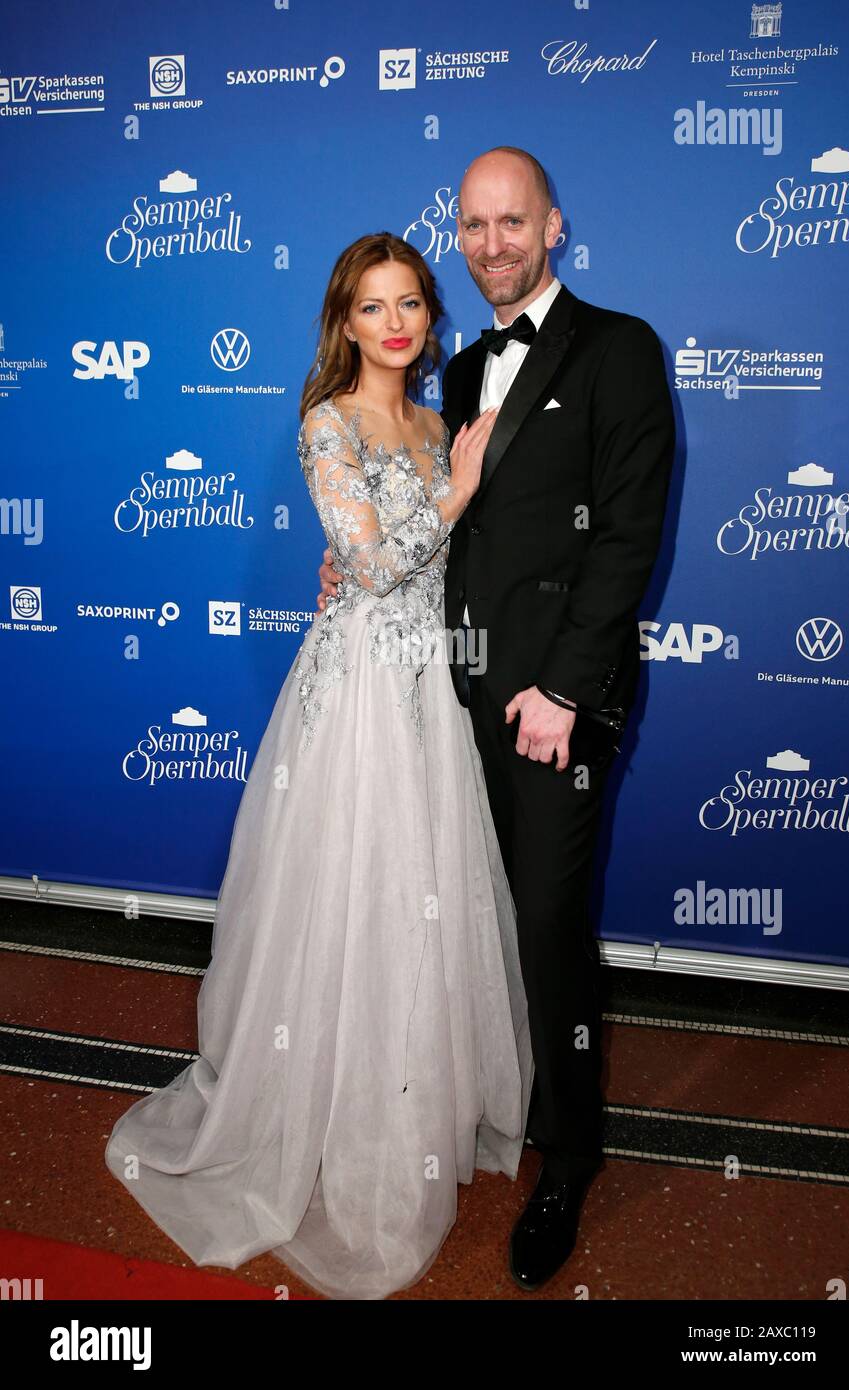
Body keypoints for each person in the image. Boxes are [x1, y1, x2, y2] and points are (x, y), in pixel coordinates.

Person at [104, 231, 534, 1301]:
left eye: (409, 304)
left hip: (431, 690)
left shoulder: (436, 422)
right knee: (345, 898)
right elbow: (376, 560)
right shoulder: (326, 423)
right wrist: (454, 495)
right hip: (354, 700)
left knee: (419, 902)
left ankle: (408, 1109)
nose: (394, 324)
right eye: (371, 307)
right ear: (344, 321)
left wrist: (435, 508)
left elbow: (419, 564)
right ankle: (319, 1117)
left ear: (430, 316)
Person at [317, 147, 677, 1291]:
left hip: (551, 706)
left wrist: (563, 690)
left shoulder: (618, 349)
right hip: (449, 696)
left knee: (544, 925)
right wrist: (352, 572)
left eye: (511, 222)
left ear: (552, 227)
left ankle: (566, 1158)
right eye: (472, 226)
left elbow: (624, 534)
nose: (491, 244)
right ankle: (485, 1101)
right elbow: (443, 524)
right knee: (462, 916)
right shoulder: (462, 369)